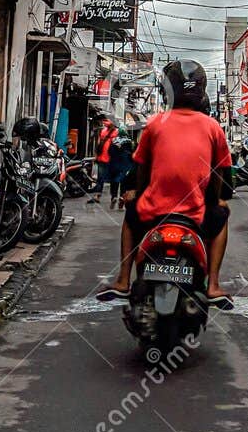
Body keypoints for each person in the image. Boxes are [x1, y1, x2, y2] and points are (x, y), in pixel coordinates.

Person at [96, 60, 234, 305]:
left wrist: (135, 192)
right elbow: (221, 176)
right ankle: (213, 285)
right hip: (196, 214)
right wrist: (218, 200)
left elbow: (141, 168)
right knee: (223, 216)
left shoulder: (154, 124)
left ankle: (123, 280)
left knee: (130, 217)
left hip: (154, 211)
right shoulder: (213, 127)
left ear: (167, 90)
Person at [94, 117, 117, 200]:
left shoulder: (115, 132)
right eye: (104, 121)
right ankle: (98, 195)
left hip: (111, 159)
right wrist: (97, 155)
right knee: (100, 178)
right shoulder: (103, 131)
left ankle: (113, 196)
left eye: (107, 120)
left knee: (112, 178)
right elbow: (98, 143)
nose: (104, 122)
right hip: (102, 158)